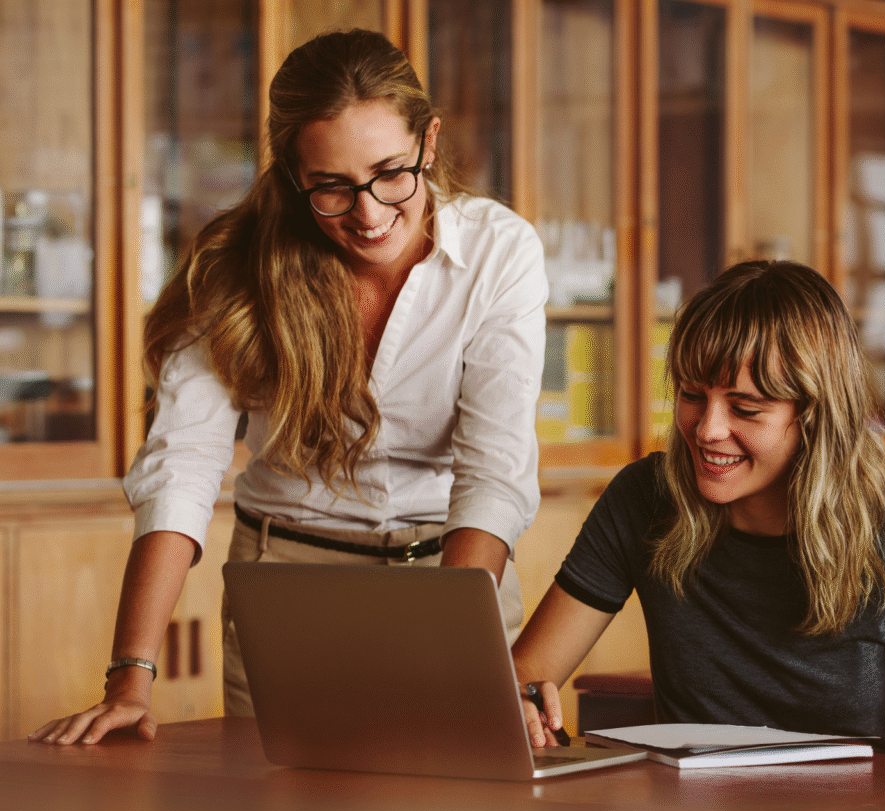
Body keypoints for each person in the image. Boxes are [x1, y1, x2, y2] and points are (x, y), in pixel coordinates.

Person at [30, 29, 546, 745]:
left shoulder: (500, 252)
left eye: (390, 173)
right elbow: (180, 466)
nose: (367, 215)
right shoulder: (235, 267)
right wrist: (131, 676)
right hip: (290, 587)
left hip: (454, 579)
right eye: (331, 187)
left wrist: (454, 654)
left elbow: (493, 474)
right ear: (292, 175)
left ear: (428, 144)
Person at [515, 260, 885, 756]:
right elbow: (522, 683)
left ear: (815, 416)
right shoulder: (645, 497)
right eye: (691, 395)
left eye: (745, 408)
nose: (707, 430)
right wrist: (521, 704)